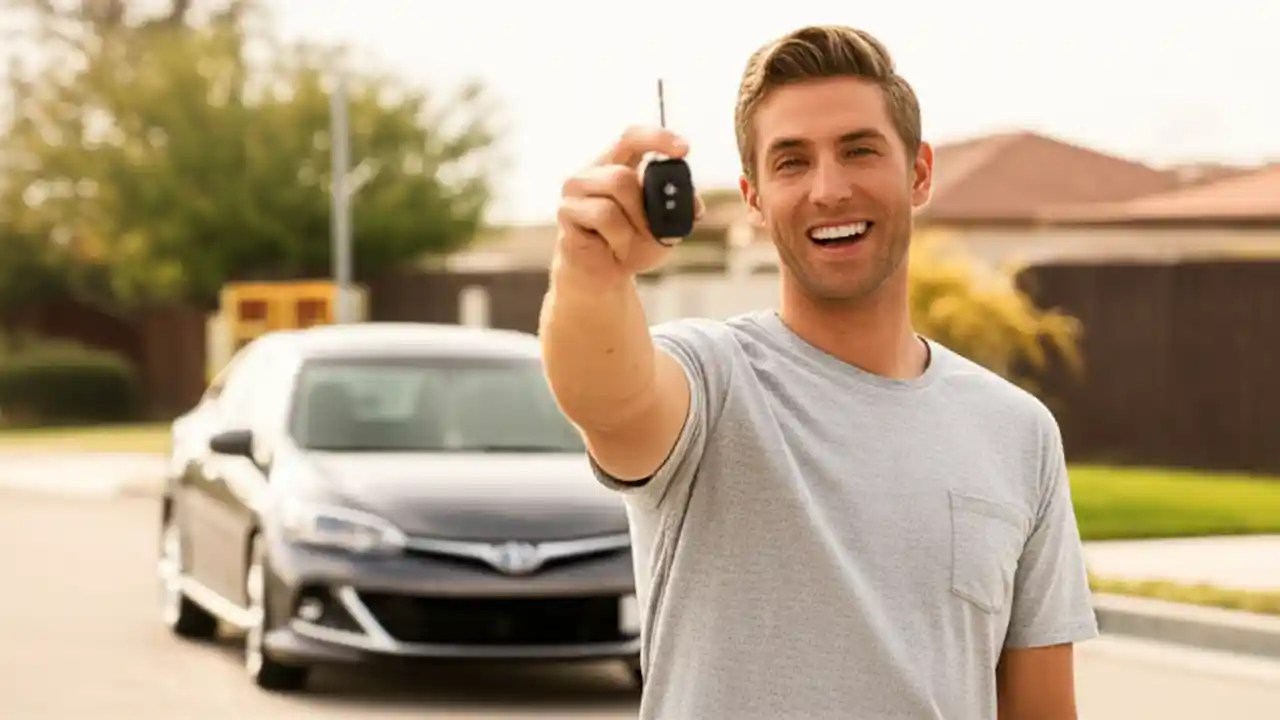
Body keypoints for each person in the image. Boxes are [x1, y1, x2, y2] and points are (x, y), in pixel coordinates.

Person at [539, 23, 1099, 720]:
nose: (829, 190)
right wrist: (588, 272)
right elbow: (608, 397)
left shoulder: (1018, 434)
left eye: (859, 151)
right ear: (752, 197)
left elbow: (1042, 709)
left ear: (919, 172)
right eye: (792, 162)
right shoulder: (712, 381)